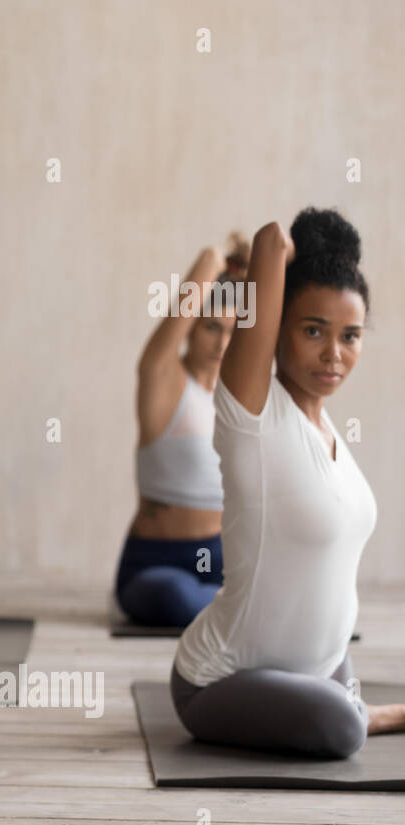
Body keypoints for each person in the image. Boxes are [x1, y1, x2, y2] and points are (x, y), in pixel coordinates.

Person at [172, 208, 405, 757]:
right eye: (312, 331)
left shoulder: (328, 432)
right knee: (343, 732)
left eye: (350, 336)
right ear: (276, 328)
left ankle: (350, 701)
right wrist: (314, 250)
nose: (333, 353)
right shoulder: (251, 412)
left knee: (337, 709)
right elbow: (271, 242)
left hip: (324, 666)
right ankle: (363, 714)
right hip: (219, 680)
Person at [115, 236, 248, 627]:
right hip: (157, 561)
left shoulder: (243, 396)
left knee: (290, 590)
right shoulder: (165, 380)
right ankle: (239, 611)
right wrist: (217, 260)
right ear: (191, 326)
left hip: (224, 558)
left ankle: (238, 608)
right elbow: (195, 288)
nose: (222, 342)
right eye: (211, 327)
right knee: (179, 599)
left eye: (232, 330)